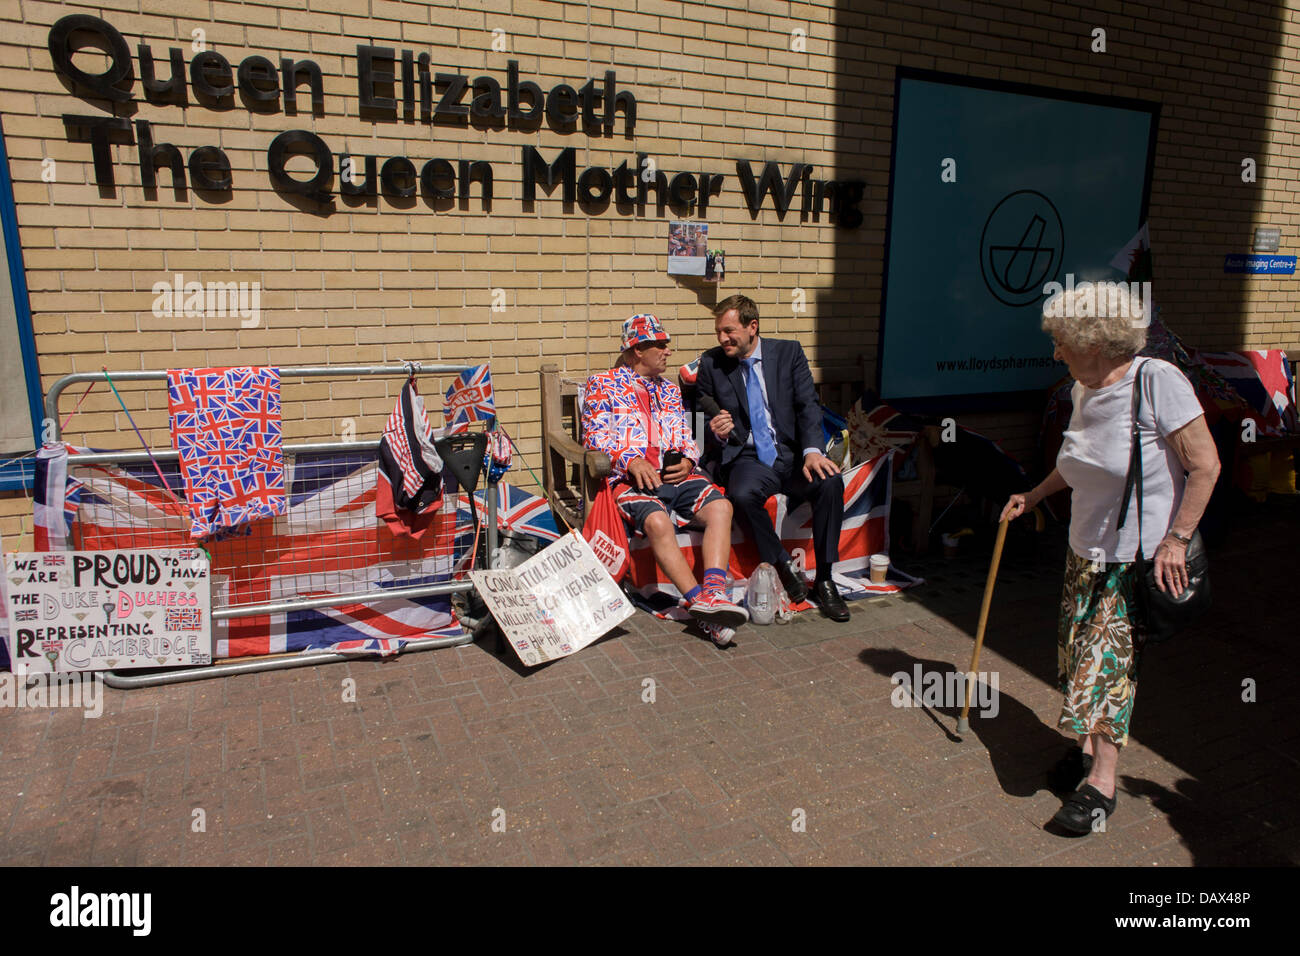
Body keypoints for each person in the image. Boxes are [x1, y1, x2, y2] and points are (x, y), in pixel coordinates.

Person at [1001, 282, 1220, 834]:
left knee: (1104, 673)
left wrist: (1176, 539)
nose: (1055, 352)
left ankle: (1101, 785)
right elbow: (1075, 463)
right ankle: (1084, 756)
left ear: (1094, 340)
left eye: (1062, 341)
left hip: (1132, 558)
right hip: (1084, 553)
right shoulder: (1082, 389)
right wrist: (1034, 495)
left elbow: (1206, 465)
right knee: (1076, 663)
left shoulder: (1157, 382)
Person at [582, 313, 748, 647]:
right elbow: (594, 438)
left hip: (677, 477)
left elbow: (687, 435)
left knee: (722, 508)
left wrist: (688, 459)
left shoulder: (670, 391)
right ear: (637, 350)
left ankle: (713, 595)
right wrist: (630, 460)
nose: (668, 351)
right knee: (657, 521)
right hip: (629, 481)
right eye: (660, 345)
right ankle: (701, 607)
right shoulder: (602, 386)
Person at [696, 294, 850, 622]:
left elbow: (808, 405)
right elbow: (699, 417)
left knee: (830, 482)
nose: (723, 339)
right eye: (718, 332)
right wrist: (716, 431)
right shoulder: (711, 363)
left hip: (792, 454)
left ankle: (825, 579)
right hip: (747, 455)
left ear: (753, 327)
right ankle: (783, 564)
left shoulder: (788, 353)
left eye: (729, 331)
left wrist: (812, 451)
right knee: (740, 494)